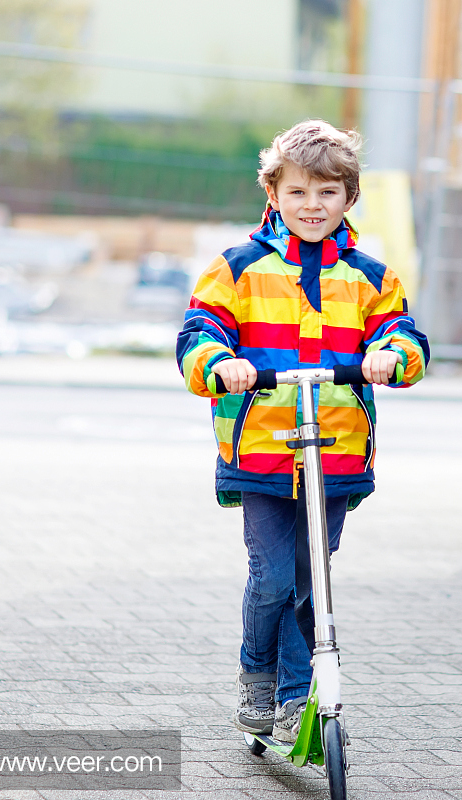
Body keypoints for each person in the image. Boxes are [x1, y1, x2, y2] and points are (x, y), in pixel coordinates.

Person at [176, 119, 429, 743]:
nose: (311, 206)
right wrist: (220, 362)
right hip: (261, 448)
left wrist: (390, 355)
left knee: (312, 576)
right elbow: (198, 333)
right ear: (273, 195)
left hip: (336, 449)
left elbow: (404, 335)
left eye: (326, 193)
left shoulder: (370, 274)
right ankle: (258, 677)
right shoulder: (237, 268)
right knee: (274, 578)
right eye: (297, 193)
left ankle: (296, 696)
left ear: (348, 198)